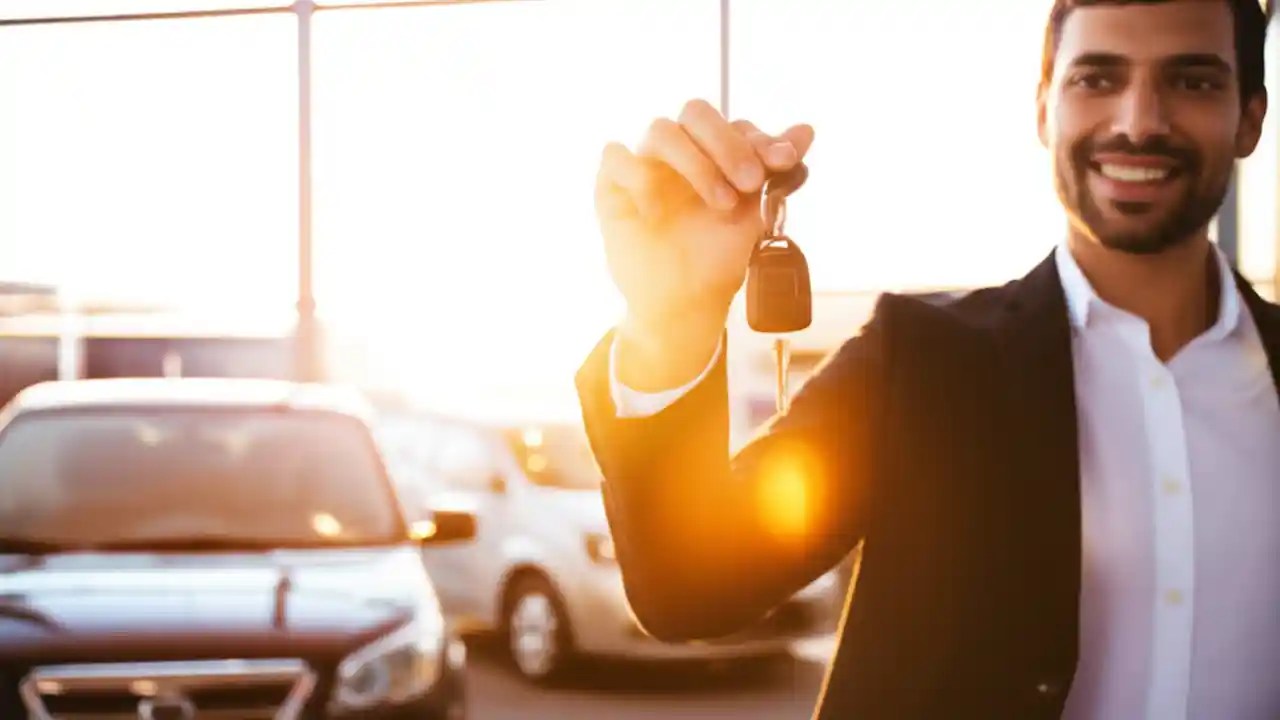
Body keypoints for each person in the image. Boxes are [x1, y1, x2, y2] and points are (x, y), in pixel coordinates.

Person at [575, 1, 1279, 718]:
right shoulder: (920, 365)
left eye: (1192, 82)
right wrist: (672, 324)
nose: (1138, 121)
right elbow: (687, 587)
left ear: (1250, 117)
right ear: (1043, 110)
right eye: (1097, 80)